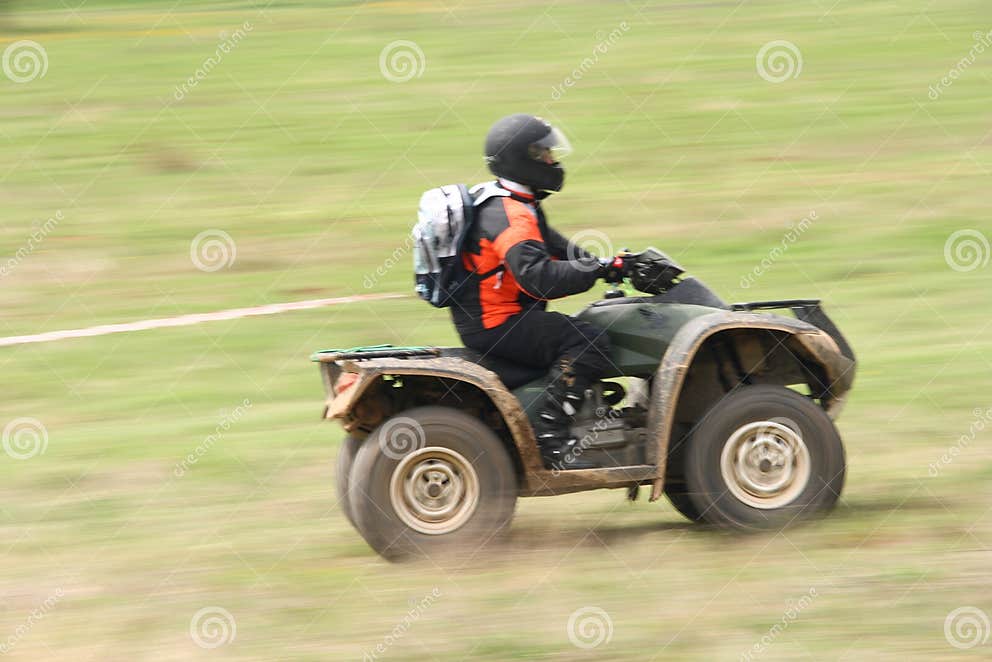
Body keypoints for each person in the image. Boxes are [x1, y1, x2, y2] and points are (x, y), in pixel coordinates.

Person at [450, 113, 621, 470]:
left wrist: (612, 265)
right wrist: (598, 270)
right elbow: (538, 277)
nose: (552, 161)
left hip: (491, 319)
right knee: (588, 341)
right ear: (522, 158)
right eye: (544, 154)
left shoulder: (510, 199)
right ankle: (549, 435)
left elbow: (559, 249)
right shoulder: (512, 215)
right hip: (498, 324)